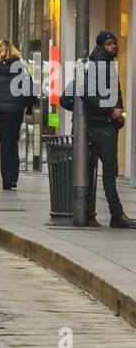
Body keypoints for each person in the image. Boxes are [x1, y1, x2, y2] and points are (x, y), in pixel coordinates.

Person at [63, 29, 136, 228]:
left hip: (100, 125)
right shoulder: (99, 65)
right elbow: (86, 93)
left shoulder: (100, 64)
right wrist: (111, 110)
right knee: (109, 171)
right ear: (101, 46)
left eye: (114, 43)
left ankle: (89, 213)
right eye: (109, 44)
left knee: (90, 171)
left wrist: (119, 116)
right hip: (102, 127)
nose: (114, 47)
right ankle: (116, 214)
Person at [0, 40, 35, 189]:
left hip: (2, 111)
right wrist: (29, 109)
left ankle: (6, 180)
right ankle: (14, 178)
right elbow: (29, 89)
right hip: (17, 110)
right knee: (13, 142)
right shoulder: (22, 68)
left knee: (5, 144)